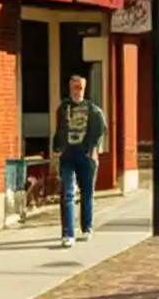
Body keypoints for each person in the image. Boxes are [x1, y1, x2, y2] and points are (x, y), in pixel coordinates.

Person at [53, 75, 107, 248]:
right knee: (68, 193)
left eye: (80, 88)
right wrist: (57, 148)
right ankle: (68, 234)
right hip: (68, 155)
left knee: (87, 193)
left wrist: (92, 148)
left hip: (86, 156)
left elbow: (101, 127)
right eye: (74, 88)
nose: (77, 91)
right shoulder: (63, 108)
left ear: (84, 89)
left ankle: (87, 227)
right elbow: (60, 129)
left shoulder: (92, 109)